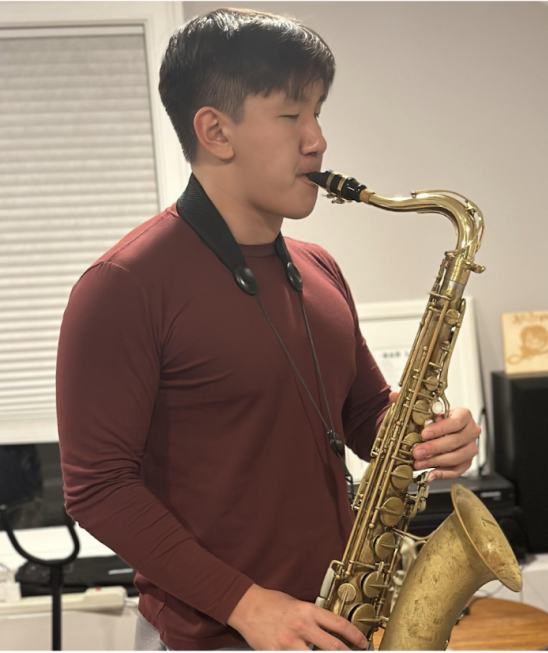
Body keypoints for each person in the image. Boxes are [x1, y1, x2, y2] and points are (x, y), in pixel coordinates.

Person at [56, 9, 482, 651]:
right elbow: (97, 489)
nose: (318, 139)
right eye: (292, 115)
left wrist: (432, 439)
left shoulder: (319, 267)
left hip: (338, 621)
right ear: (215, 131)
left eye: (318, 112)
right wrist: (247, 605)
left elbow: (366, 413)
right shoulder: (123, 285)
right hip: (216, 636)